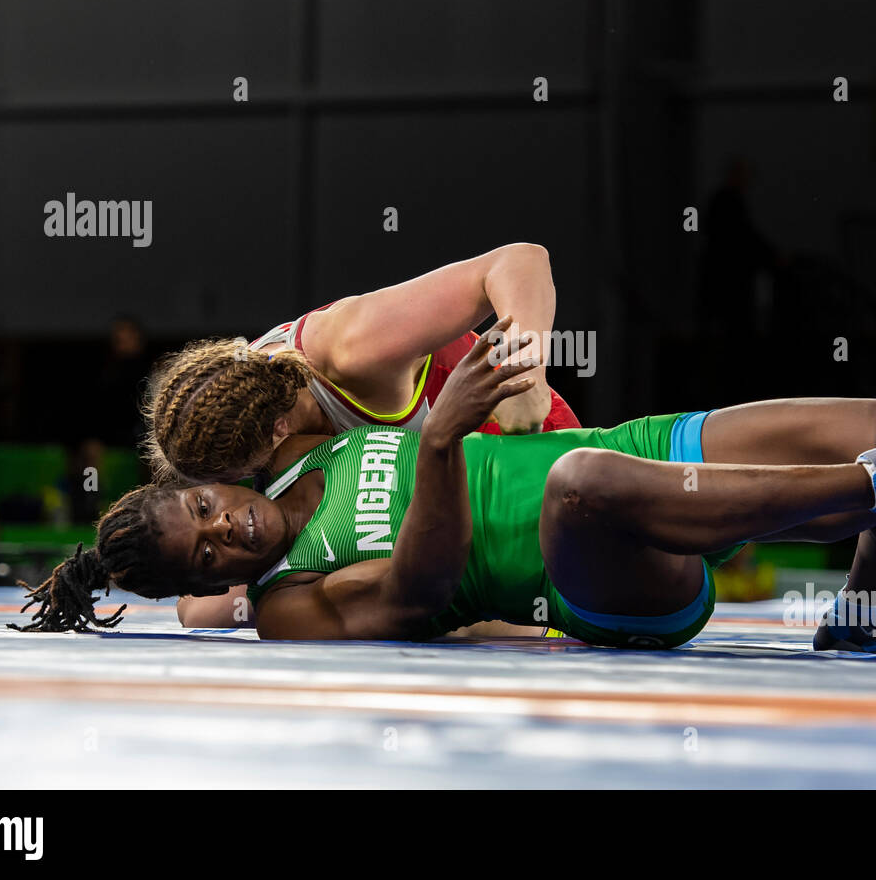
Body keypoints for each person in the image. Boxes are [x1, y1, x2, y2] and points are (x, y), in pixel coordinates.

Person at [15, 318, 876, 655]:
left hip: (641, 446)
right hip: (595, 580)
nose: (228, 528)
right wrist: (441, 442)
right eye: (211, 551)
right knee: (577, 484)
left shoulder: (297, 452)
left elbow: (267, 383)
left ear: (211, 482)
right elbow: (413, 590)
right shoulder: (287, 609)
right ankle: (874, 489)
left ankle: (870, 603)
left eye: (203, 508)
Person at [147, 244, 580, 626]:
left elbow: (517, 260)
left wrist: (528, 366)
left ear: (278, 430)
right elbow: (199, 604)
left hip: (521, 458)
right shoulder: (235, 398)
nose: (242, 488)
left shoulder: (352, 346)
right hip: (437, 522)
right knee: (203, 611)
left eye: (242, 471)